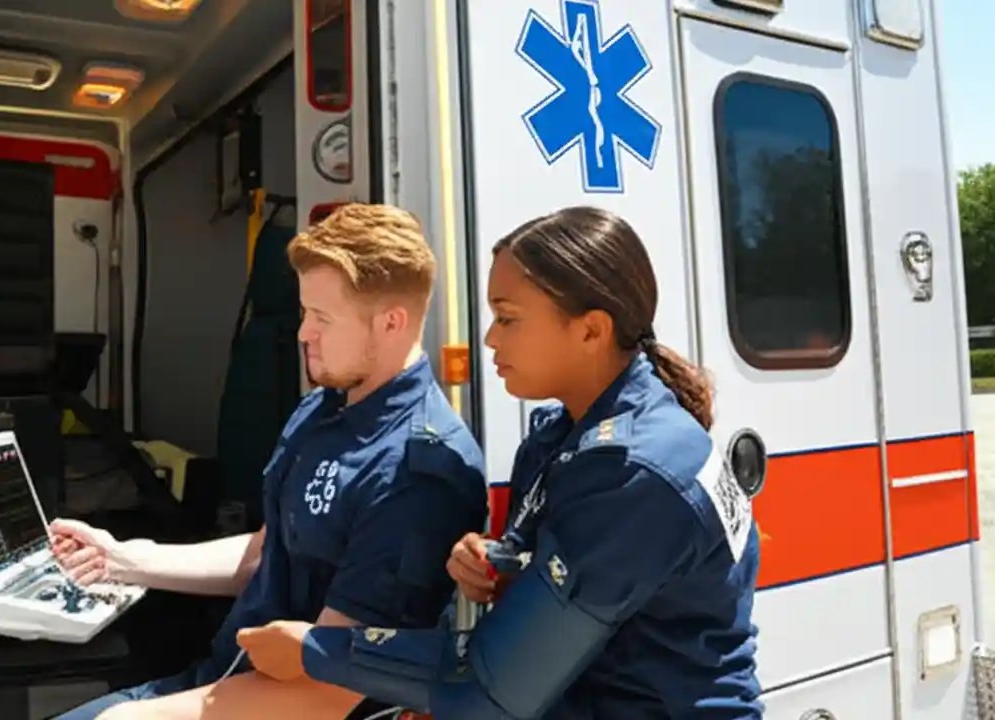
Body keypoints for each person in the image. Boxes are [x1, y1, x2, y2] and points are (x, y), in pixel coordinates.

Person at [235, 206, 763, 719]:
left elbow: (490, 690)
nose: (490, 338)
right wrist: (500, 566)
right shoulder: (563, 437)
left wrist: (316, 649)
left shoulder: (636, 471)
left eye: (508, 318)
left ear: (591, 330)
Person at [50, 203, 489, 719]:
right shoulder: (327, 407)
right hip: (222, 681)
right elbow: (271, 551)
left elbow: (327, 690)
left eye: (322, 318)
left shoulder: (417, 474)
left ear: (391, 323)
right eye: (305, 313)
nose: (304, 333)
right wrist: (123, 560)